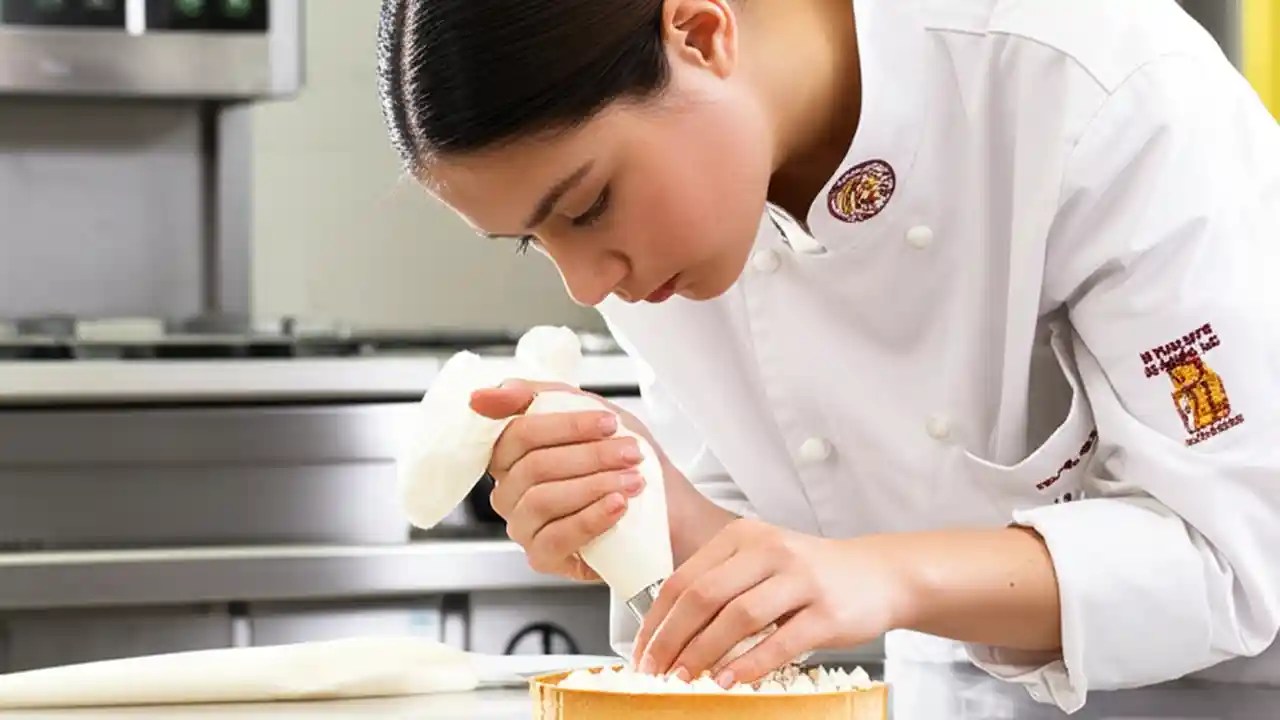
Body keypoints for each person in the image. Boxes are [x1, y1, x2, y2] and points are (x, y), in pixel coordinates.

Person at [376, 0, 1280, 712]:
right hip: (951, 692)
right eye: (532, 240)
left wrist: (881, 575)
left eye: (586, 206)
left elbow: (1231, 554)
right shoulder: (673, 241)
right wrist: (655, 515)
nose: (586, 284)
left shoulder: (1092, 79)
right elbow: (780, 586)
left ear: (700, 33)